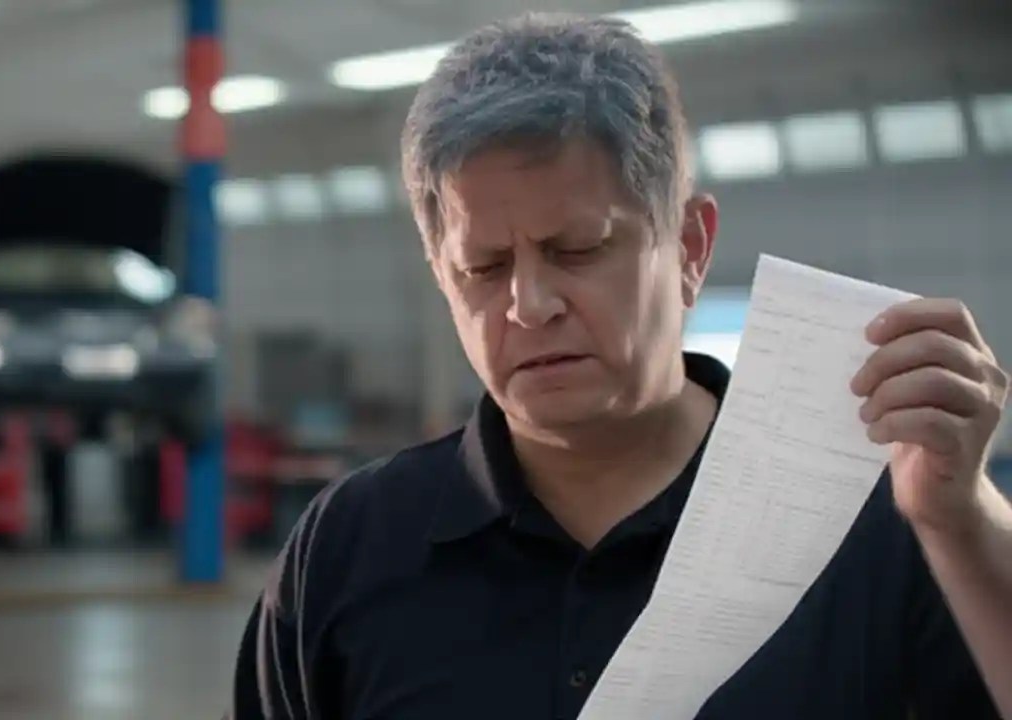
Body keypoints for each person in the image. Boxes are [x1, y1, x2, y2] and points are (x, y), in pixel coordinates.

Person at [228, 13, 1011, 719]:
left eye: (578, 250)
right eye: (485, 267)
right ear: (441, 273)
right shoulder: (349, 551)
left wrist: (966, 524)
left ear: (690, 248)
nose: (529, 304)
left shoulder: (877, 527)